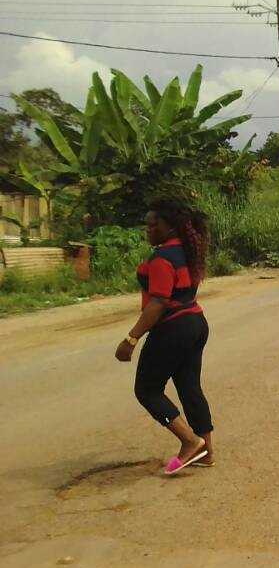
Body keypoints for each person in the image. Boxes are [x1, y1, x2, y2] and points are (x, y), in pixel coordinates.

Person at [115, 198, 214, 475]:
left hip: (172, 328)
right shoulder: (186, 251)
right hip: (195, 323)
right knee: (190, 387)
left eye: (153, 224)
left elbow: (157, 303)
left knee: (147, 390)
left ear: (169, 227)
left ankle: (189, 442)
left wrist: (131, 339)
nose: (148, 229)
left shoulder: (161, 259)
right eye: (146, 224)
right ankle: (207, 451)